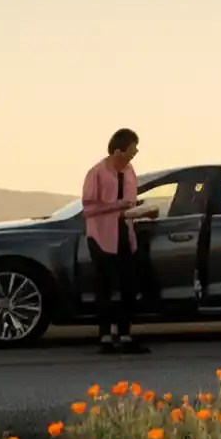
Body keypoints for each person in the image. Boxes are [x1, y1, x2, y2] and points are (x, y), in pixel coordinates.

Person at [81, 128, 152, 353]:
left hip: (125, 233)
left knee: (129, 286)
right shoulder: (97, 172)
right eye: (132, 150)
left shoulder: (130, 171)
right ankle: (105, 336)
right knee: (105, 287)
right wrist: (116, 206)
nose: (135, 154)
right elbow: (89, 207)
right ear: (119, 150)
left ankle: (125, 334)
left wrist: (139, 209)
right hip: (102, 236)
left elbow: (129, 202)